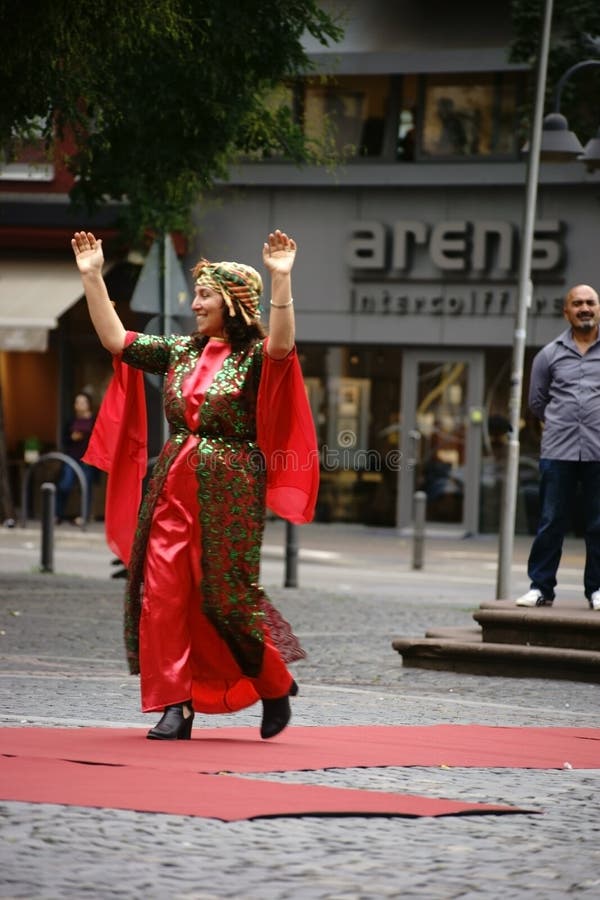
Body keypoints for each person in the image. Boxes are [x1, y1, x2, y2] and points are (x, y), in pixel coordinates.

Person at [71, 228, 319, 740]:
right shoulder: (180, 351)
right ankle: (175, 706)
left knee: (225, 600)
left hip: (231, 488)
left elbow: (283, 343)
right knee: (161, 595)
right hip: (171, 486)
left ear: (233, 303)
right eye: (197, 293)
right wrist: (92, 276)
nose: (195, 303)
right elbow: (117, 340)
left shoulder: (256, 357)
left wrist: (281, 279)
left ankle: (273, 683)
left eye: (205, 294)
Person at [515, 284, 600, 611]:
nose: (584, 308)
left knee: (598, 524)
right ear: (566, 312)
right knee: (551, 521)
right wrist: (563, 421)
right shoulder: (548, 355)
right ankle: (540, 588)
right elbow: (537, 403)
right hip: (558, 451)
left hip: (598, 451)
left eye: (590, 302)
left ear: (598, 309)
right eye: (577, 303)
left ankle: (597, 589)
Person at [55, 390, 97, 525]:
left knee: (85, 487)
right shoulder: (71, 421)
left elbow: (98, 439)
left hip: (88, 459)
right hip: (71, 458)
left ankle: (84, 516)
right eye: (77, 402)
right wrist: (72, 438)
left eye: (83, 402)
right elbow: (64, 439)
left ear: (89, 404)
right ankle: (57, 514)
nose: (80, 405)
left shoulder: (95, 420)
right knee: (64, 485)